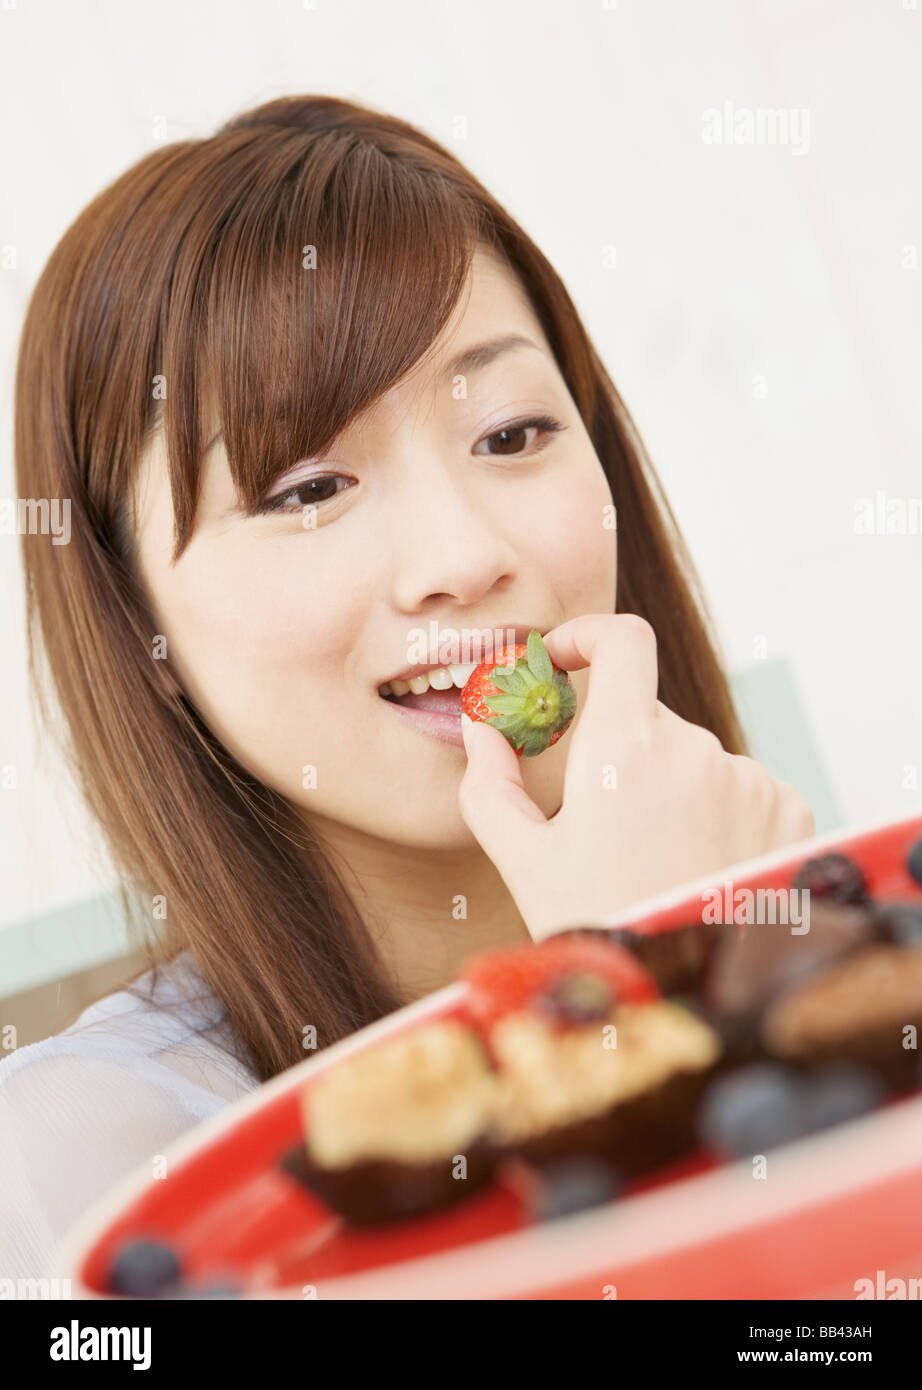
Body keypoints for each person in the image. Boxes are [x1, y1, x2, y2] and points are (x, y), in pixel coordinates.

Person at [1, 94, 814, 1280]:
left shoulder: (827, 939)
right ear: (138, 630)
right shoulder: (92, 1161)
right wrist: (637, 990)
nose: (463, 555)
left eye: (509, 433)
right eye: (307, 489)